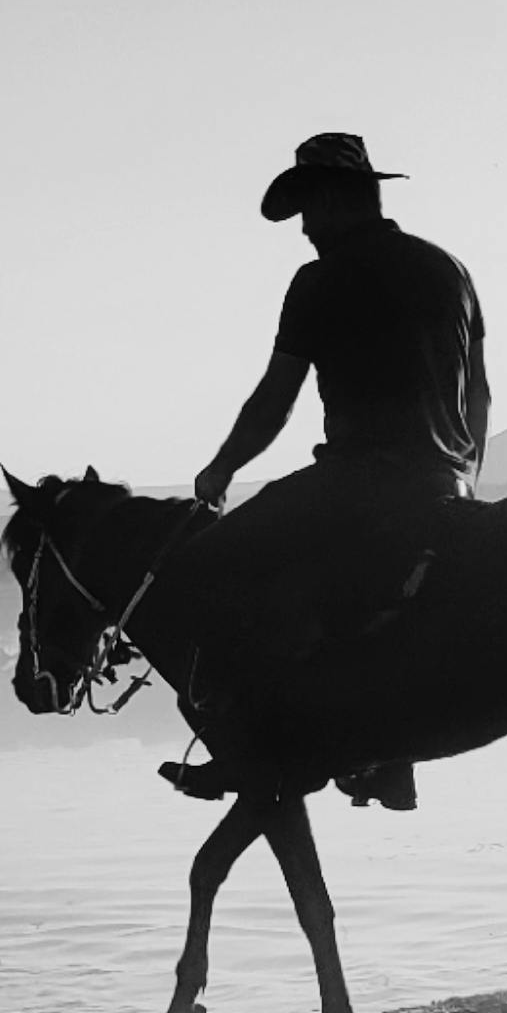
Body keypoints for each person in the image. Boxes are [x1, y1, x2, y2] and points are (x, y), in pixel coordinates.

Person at [170, 133, 490, 808]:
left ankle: (250, 752)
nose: (306, 230)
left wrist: (220, 470)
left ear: (341, 199)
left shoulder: (320, 281)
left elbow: (273, 404)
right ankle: (385, 755)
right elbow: (479, 395)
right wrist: (465, 475)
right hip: (445, 481)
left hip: (361, 480)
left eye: (309, 211)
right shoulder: (449, 270)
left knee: (208, 565)